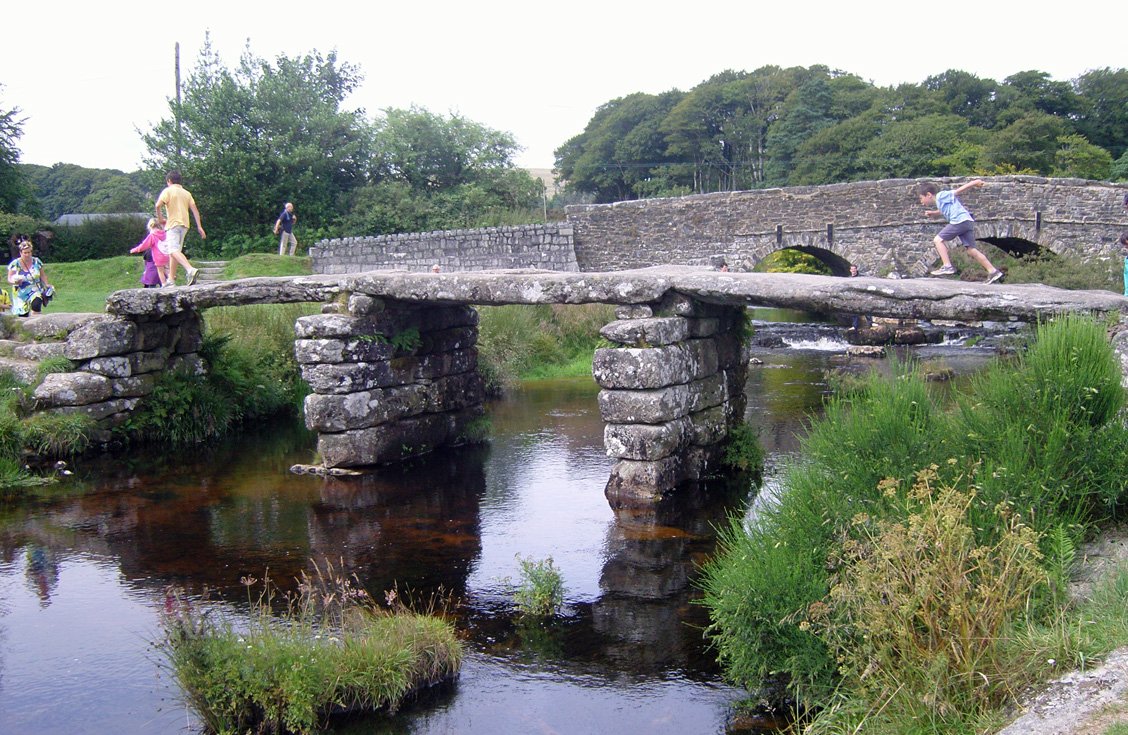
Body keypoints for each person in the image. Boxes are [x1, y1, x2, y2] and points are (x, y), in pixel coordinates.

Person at [918, 179, 1004, 284]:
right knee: (972, 250)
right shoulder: (940, 202)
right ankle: (993, 271)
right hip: (967, 221)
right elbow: (943, 210)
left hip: (959, 221)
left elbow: (957, 191)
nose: (921, 202)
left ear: (928, 194)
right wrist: (933, 213)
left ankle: (947, 266)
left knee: (938, 240)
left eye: (921, 198)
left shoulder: (941, 196)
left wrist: (975, 182)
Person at [155, 170, 204, 285]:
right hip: (185, 225)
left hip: (173, 224)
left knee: (172, 250)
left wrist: (160, 219)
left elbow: (158, 205)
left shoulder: (168, 191)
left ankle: (190, 269)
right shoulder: (186, 193)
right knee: (175, 252)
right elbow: (194, 210)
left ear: (169, 181)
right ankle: (171, 279)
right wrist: (199, 226)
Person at [7, 239, 53, 316]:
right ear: (20, 253)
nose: (27, 255)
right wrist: (15, 282)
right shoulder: (15, 264)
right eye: (25, 253)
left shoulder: (36, 261)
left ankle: (35, 323)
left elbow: (42, 274)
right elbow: (9, 278)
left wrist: (46, 284)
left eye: (29, 252)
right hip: (20, 292)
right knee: (23, 314)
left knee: (36, 304)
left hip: (34, 288)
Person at [131, 218, 170, 287]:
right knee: (166, 269)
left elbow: (144, 245)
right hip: (166, 255)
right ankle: (170, 280)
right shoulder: (165, 234)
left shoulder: (152, 235)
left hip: (158, 256)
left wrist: (135, 249)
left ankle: (164, 284)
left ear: (150, 226)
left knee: (160, 271)